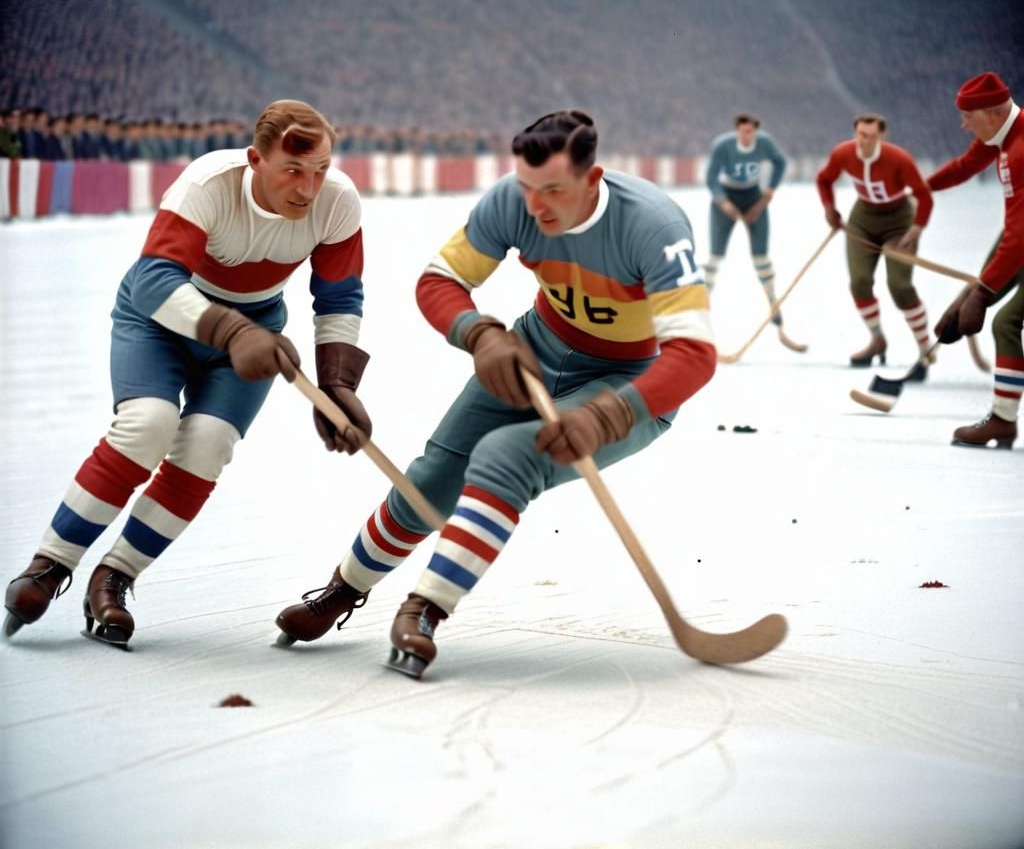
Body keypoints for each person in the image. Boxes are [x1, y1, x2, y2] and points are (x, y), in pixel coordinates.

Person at [274, 109, 717, 678]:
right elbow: (440, 280)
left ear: (593, 178)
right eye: (528, 188)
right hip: (534, 348)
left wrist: (609, 415)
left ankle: (424, 609)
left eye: (553, 191)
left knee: (508, 457)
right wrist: (479, 334)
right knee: (430, 482)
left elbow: (694, 355)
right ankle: (343, 589)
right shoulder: (513, 200)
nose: (536, 207)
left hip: (628, 380)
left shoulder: (655, 228)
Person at [3, 99, 373, 648]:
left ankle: (115, 575)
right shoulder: (207, 183)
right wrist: (234, 331)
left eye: (319, 170)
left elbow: (340, 298)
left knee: (207, 445)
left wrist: (337, 384)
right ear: (254, 160)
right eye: (292, 170)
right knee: (147, 424)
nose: (307, 188)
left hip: (251, 334)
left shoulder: (338, 201)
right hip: (161, 320)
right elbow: (155, 279)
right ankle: (51, 564)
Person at [929, 72, 1023, 449]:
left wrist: (982, 294)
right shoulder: (1003, 135)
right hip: (1020, 235)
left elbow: (1018, 235)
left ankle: (1002, 420)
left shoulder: (1020, 150)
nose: (963, 124)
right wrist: (918, 189)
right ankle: (1003, 419)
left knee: (1006, 321)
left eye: (968, 116)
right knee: (984, 294)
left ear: (993, 114)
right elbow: (964, 167)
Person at [816, 113, 935, 373]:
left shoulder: (899, 159)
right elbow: (824, 179)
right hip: (863, 220)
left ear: (881, 135)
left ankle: (925, 349)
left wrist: (917, 228)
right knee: (859, 281)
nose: (864, 141)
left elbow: (924, 196)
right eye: (860, 134)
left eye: (870, 136)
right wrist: (829, 208)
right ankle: (877, 339)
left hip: (899, 221)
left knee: (900, 286)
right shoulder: (843, 153)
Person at [703, 114, 798, 348]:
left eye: (751, 132)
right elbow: (711, 177)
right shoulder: (723, 145)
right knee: (715, 255)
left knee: (761, 255)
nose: (747, 136)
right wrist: (723, 202)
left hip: (753, 195)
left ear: (756, 131)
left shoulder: (764, 142)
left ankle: (773, 303)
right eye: (743, 131)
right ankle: (701, 310)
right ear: (737, 130)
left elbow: (780, 162)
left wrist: (768, 193)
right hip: (727, 195)